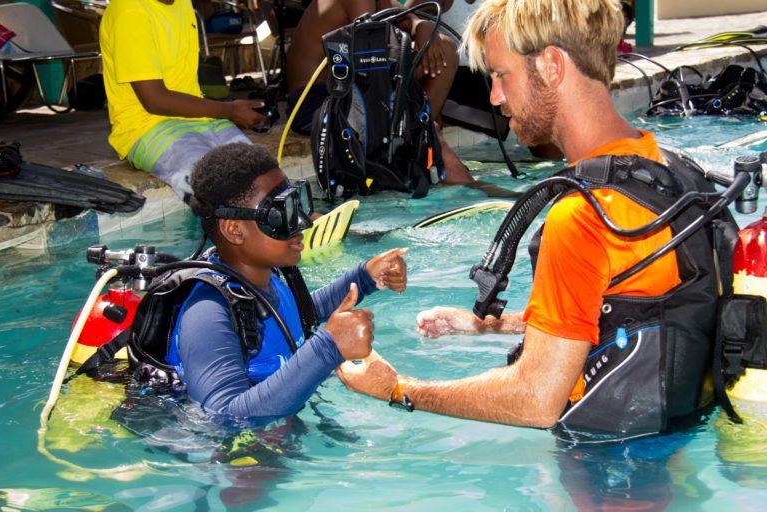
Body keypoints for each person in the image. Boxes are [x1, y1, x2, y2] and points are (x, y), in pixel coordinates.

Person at [336, 0, 728, 435]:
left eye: (502, 75)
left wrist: (398, 388)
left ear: (552, 66)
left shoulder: (582, 217)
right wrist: (490, 327)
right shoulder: (676, 173)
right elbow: (635, 312)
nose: (495, 97)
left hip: (606, 481)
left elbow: (535, 400)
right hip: (674, 449)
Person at [169, 141, 408, 420]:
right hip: (239, 457)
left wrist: (364, 277)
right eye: (280, 213)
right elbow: (222, 416)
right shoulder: (207, 314)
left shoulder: (264, 278)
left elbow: (299, 311)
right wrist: (328, 347)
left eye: (298, 204)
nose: (303, 223)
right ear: (234, 230)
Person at [285, 0, 473, 184]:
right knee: (428, 127)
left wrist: (421, 24)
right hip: (315, 103)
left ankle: (412, 138)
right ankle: (414, 140)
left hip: (353, 88)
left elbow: (401, 17)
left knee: (445, 50)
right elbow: (371, 60)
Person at [99, 0, 266, 202]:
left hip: (199, 119)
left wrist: (227, 110)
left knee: (265, 174)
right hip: (144, 127)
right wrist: (229, 110)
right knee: (215, 185)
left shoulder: (183, 3)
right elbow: (155, 100)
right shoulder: (129, 10)